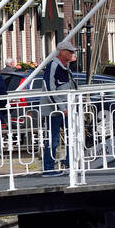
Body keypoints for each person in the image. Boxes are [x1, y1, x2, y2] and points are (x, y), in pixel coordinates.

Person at [33, 39, 79, 175]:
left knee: (71, 136)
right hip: (55, 111)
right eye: (70, 51)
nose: (72, 54)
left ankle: (69, 165)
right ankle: (48, 169)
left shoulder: (64, 67)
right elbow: (49, 88)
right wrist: (61, 107)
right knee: (53, 139)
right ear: (62, 52)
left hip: (66, 109)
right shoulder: (54, 66)